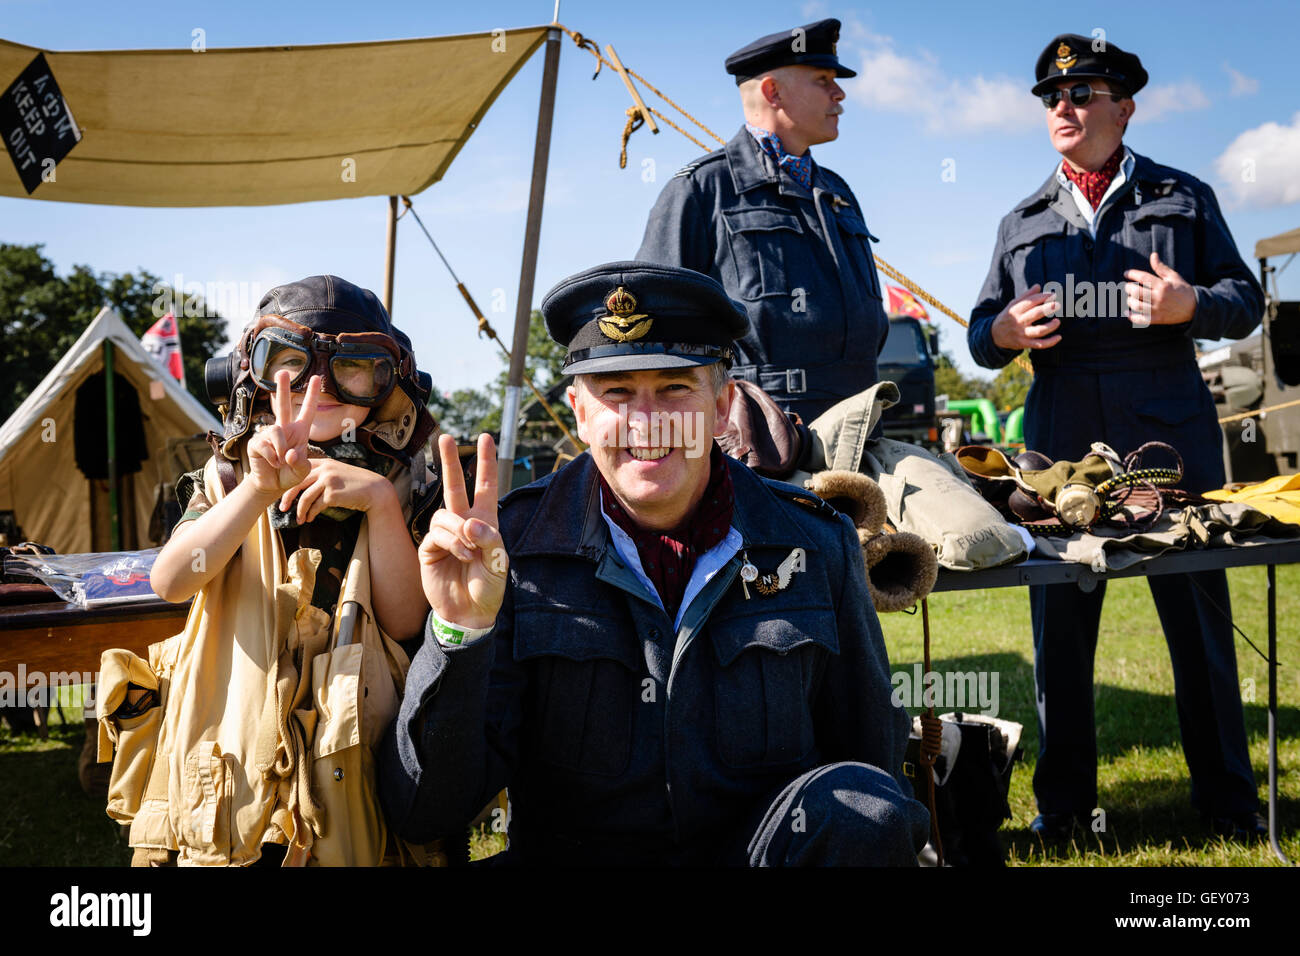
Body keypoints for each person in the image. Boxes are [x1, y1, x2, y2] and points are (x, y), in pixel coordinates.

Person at [379, 261, 929, 865]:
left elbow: (870, 763)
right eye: (615, 392)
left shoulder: (814, 541)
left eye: (674, 388)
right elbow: (425, 809)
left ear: (722, 408)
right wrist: (460, 632)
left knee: (866, 811)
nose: (647, 421)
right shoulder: (512, 551)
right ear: (579, 412)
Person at [967, 35, 1267, 840]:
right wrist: (1001, 328)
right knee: (1059, 633)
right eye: (1051, 98)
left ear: (1123, 106)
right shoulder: (1020, 220)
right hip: (1060, 449)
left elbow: (1244, 301)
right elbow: (977, 337)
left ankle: (1231, 808)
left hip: (1169, 443)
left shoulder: (1185, 195)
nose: (1063, 107)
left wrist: (1191, 308)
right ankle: (1064, 813)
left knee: (1200, 631)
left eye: (1082, 92)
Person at [144, 275, 438, 865]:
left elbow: (407, 623)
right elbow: (171, 581)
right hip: (239, 751)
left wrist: (379, 502)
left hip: (357, 747)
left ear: (389, 383)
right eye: (289, 362)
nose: (319, 387)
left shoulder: (407, 482)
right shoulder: (228, 475)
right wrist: (254, 490)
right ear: (250, 372)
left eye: (353, 367)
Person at [636, 18, 888, 423]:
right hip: (761, 441)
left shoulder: (838, 193)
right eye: (823, 80)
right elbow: (655, 332)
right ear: (773, 91)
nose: (839, 94)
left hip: (863, 425)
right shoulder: (702, 190)